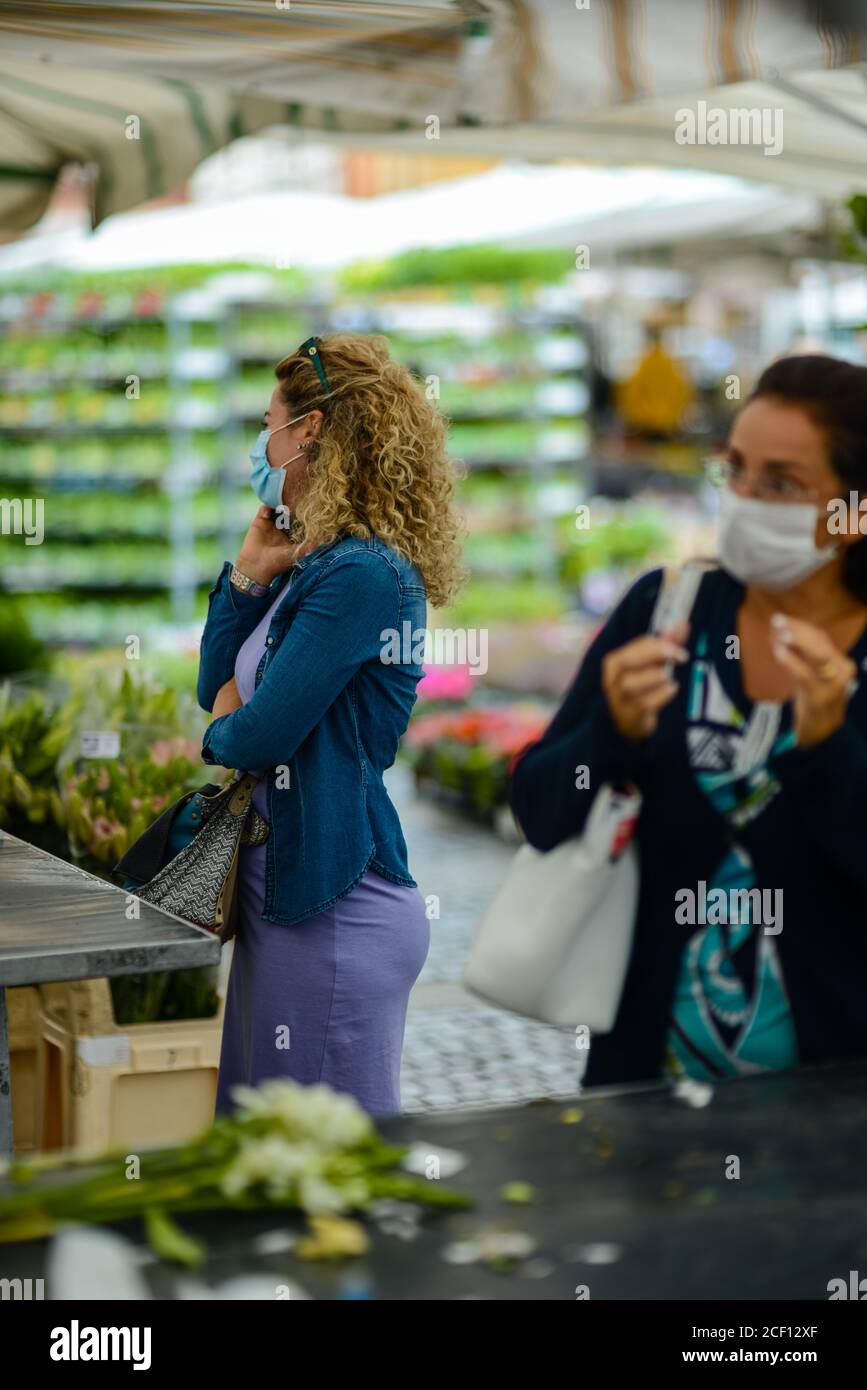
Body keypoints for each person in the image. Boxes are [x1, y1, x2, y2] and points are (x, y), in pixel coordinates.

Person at [510, 354, 867, 1087]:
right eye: (734, 470)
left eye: (780, 484)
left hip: (836, 1100)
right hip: (646, 1080)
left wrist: (830, 751)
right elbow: (538, 809)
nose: (742, 498)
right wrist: (610, 732)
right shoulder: (667, 612)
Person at [197, 332, 465, 1116]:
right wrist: (250, 570)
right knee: (263, 1154)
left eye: (267, 421)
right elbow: (213, 685)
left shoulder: (363, 574)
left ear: (306, 432)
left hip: (332, 911)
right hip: (284, 902)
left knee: (323, 1181)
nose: (261, 440)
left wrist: (224, 730)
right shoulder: (313, 559)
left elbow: (252, 739)